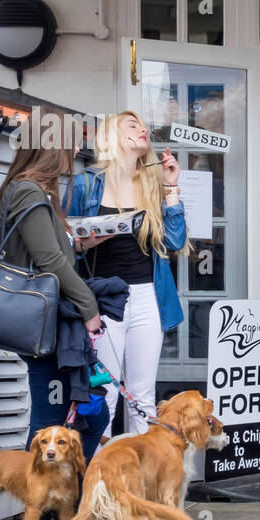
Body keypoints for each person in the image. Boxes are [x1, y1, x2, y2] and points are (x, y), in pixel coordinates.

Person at [0, 144, 109, 520]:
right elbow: (49, 263)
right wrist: (89, 306)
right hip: (46, 330)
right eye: (69, 147)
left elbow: (56, 255)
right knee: (49, 424)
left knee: (91, 415)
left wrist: (81, 245)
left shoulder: (36, 192)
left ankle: (69, 509)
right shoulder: (27, 190)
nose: (75, 156)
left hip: (55, 327)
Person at [70, 111, 188, 437]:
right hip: (103, 300)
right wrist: (84, 244)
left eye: (143, 125)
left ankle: (141, 477)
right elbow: (65, 245)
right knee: (104, 392)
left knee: (142, 395)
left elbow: (175, 241)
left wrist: (171, 189)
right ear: (112, 136)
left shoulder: (151, 184)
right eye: (132, 126)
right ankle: (100, 476)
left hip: (148, 296)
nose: (143, 130)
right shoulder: (85, 184)